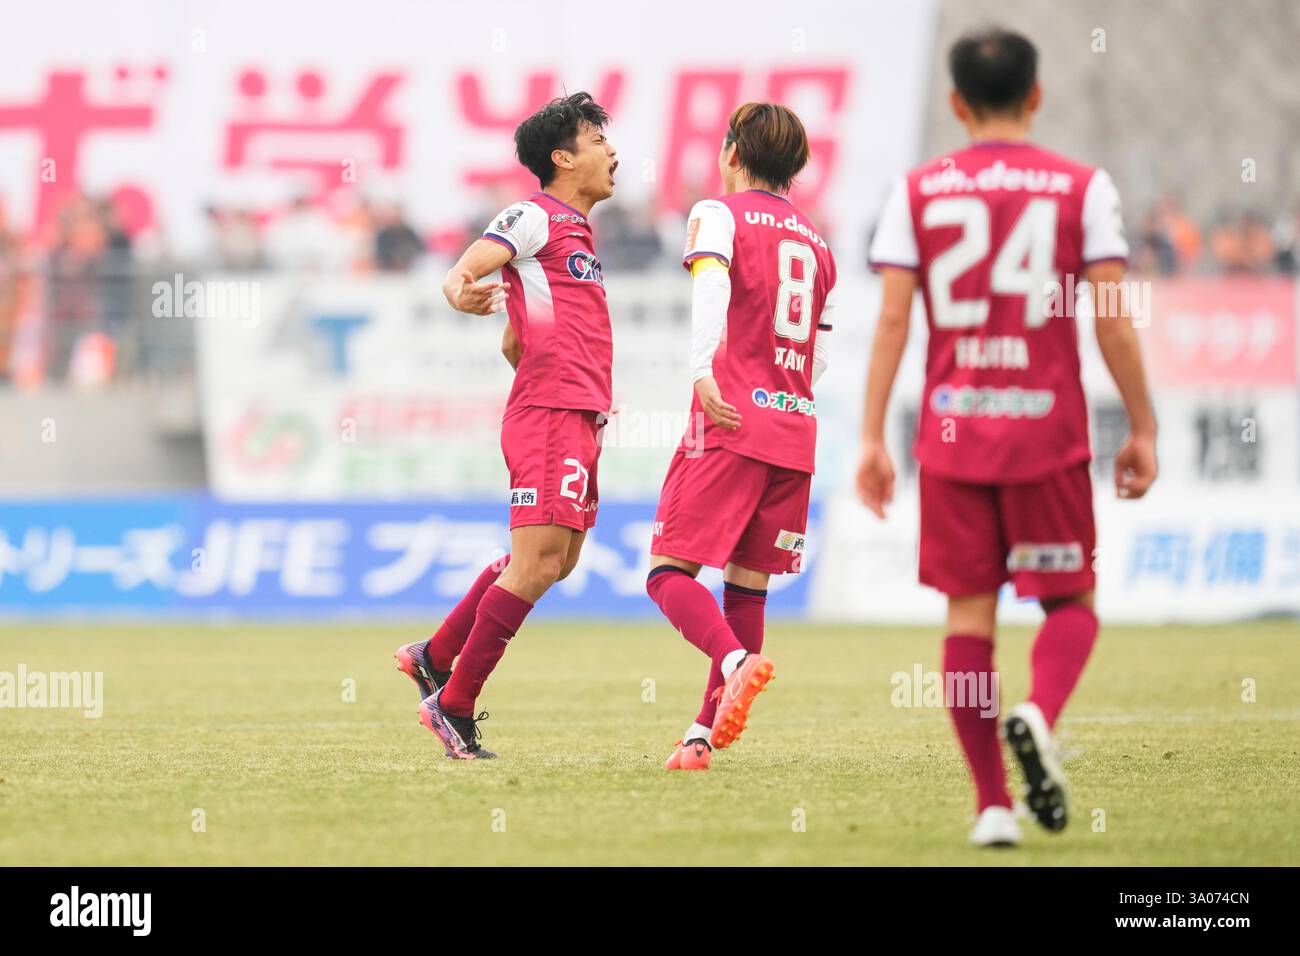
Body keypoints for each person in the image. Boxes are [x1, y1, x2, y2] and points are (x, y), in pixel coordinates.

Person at [859, 28, 1158, 845]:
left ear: (956, 104)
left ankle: (993, 807)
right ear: (1036, 95)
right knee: (1072, 602)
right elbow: (1112, 321)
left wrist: (873, 438)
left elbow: (892, 320)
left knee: (968, 619)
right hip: (1047, 435)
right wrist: (1143, 425)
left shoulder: (917, 190)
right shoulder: (1080, 187)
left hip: (953, 440)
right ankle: (1038, 712)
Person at [394, 92, 618, 759]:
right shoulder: (532, 214)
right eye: (596, 139)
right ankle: (453, 705)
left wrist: (523, 339)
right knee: (539, 561)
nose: (611, 150)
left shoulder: (578, 233)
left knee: (558, 562)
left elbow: (517, 341)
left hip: (577, 411)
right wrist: (461, 291)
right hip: (550, 411)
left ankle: (434, 655)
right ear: (561, 157)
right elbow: (463, 272)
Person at [647, 103, 837, 771]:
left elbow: (710, 286)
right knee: (747, 586)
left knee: (667, 572)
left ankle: (733, 661)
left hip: (730, 418)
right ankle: (699, 737)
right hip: (795, 428)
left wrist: (702, 370)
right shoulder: (818, 245)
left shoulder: (719, 215)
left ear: (732, 153)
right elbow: (817, 352)